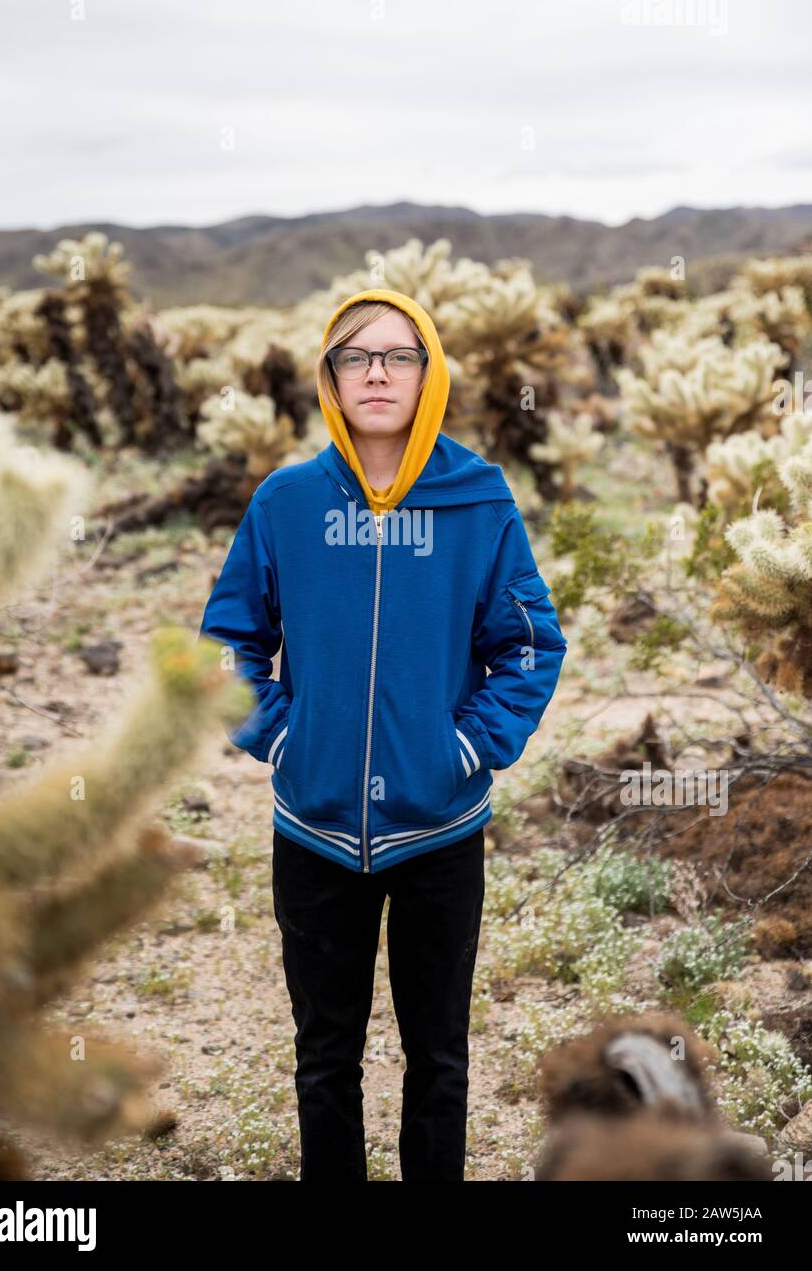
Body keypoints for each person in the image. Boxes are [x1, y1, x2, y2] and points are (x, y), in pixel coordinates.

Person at [198, 287, 568, 1181]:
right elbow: (228, 645)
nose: (376, 373)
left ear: (428, 372)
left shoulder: (477, 499)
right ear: (328, 377)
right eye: (354, 356)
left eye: (399, 355)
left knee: (437, 1060)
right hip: (313, 828)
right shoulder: (285, 501)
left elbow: (526, 644)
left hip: (439, 831)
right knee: (325, 1058)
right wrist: (285, 741)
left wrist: (464, 752)